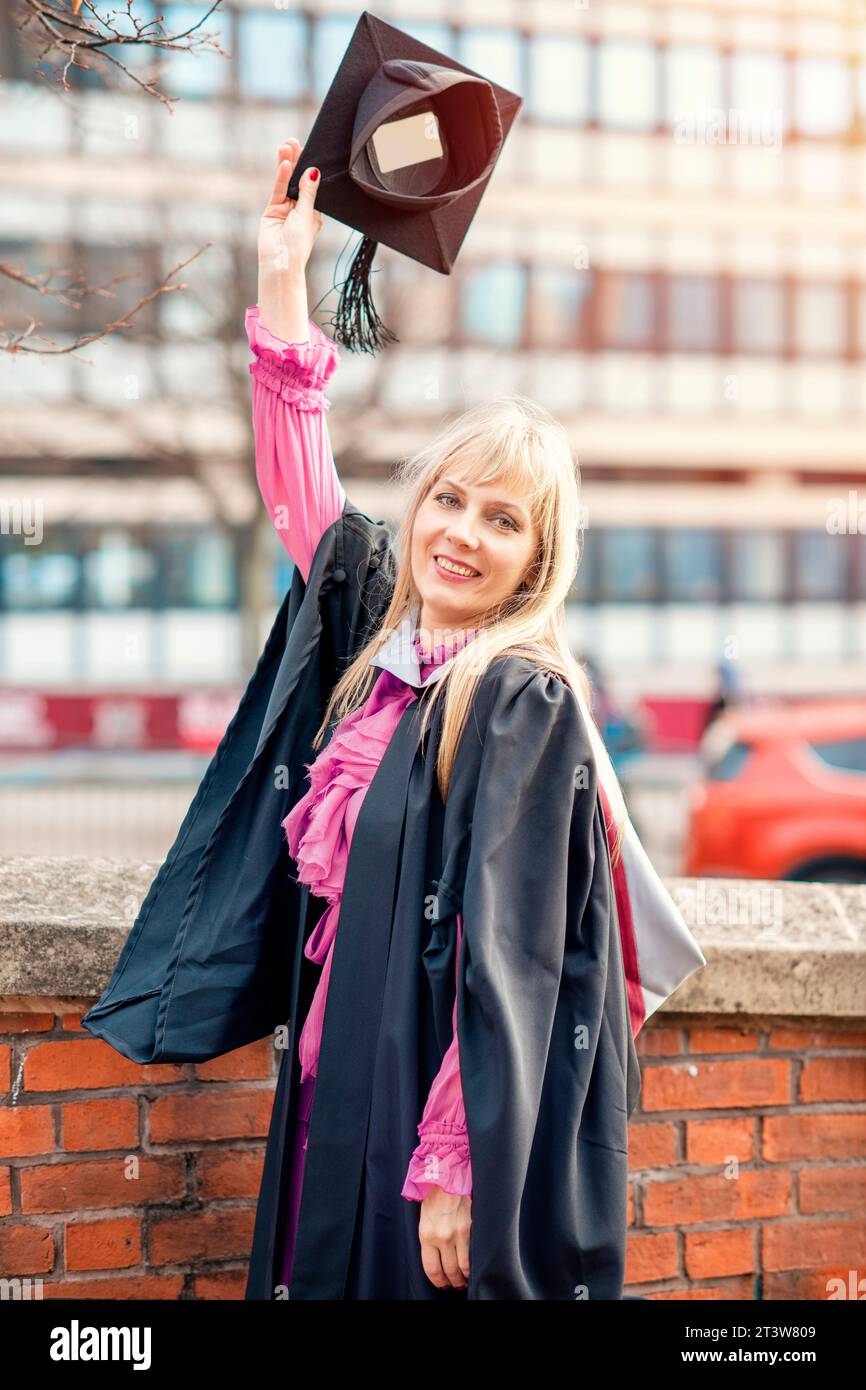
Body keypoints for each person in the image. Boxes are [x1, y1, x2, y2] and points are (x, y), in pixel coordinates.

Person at [243, 138, 639, 1300]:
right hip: (328, 1080)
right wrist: (282, 280)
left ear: (536, 560)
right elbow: (302, 500)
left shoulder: (519, 698)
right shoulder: (385, 658)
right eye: (449, 501)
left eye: (502, 520)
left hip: (421, 1121)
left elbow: (509, 957)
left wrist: (455, 1165)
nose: (462, 533)